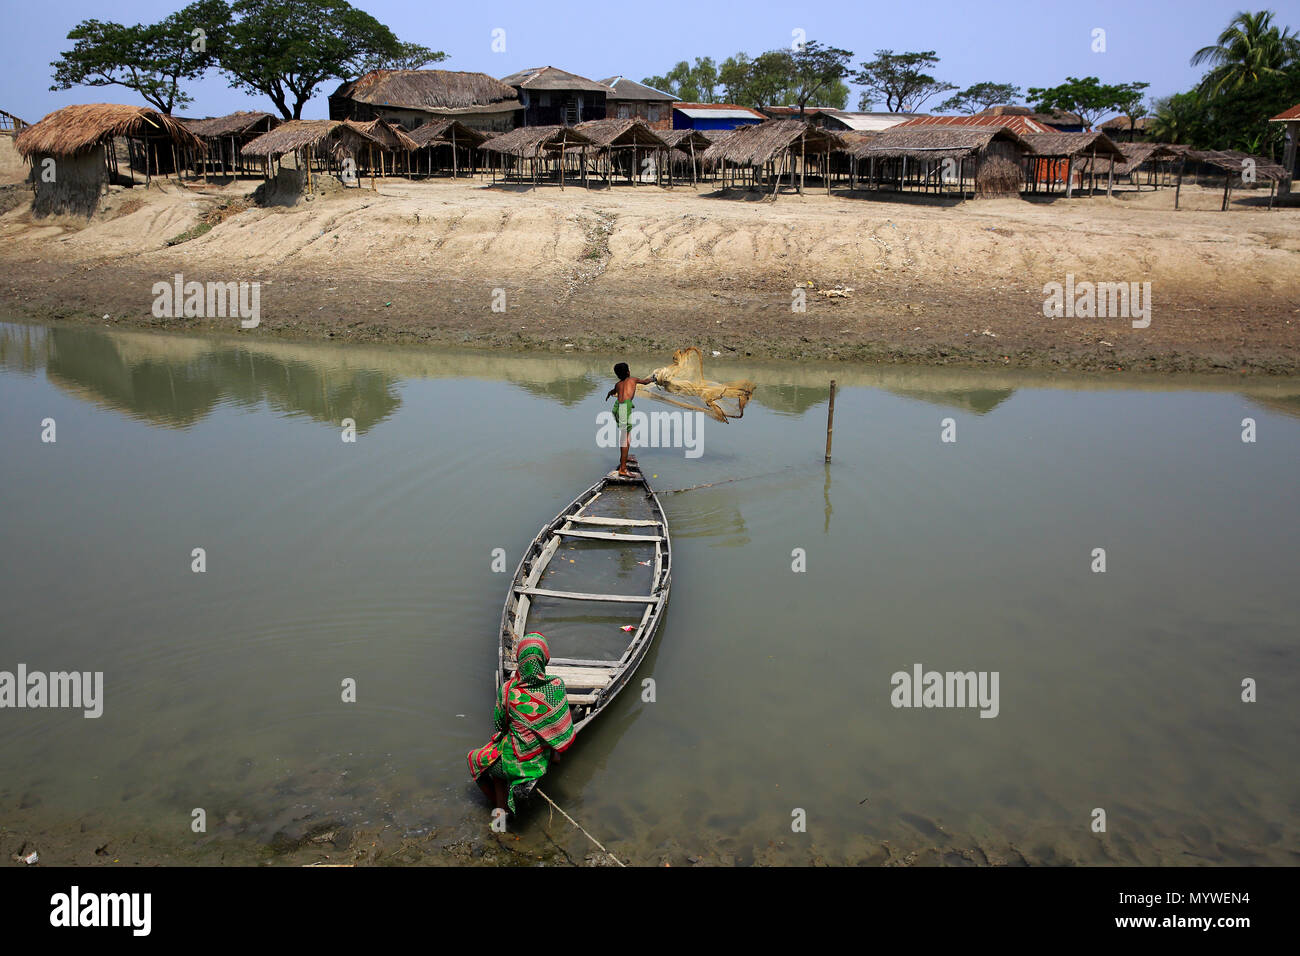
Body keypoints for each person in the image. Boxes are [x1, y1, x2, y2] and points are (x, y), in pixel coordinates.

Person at [467, 632, 575, 814]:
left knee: (476, 758)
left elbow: (499, 726)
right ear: (544, 659)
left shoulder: (508, 689)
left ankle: (500, 809)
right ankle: (554, 755)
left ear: (520, 660)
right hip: (540, 758)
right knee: (547, 729)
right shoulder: (556, 684)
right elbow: (562, 725)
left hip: (518, 762)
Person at [605, 362, 656, 476]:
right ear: (628, 372)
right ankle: (623, 468)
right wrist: (654, 378)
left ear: (617, 375)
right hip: (624, 408)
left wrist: (609, 394)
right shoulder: (633, 379)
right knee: (626, 438)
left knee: (625, 436)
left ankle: (625, 458)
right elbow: (645, 382)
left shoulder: (618, 384)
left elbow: (613, 392)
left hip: (617, 408)